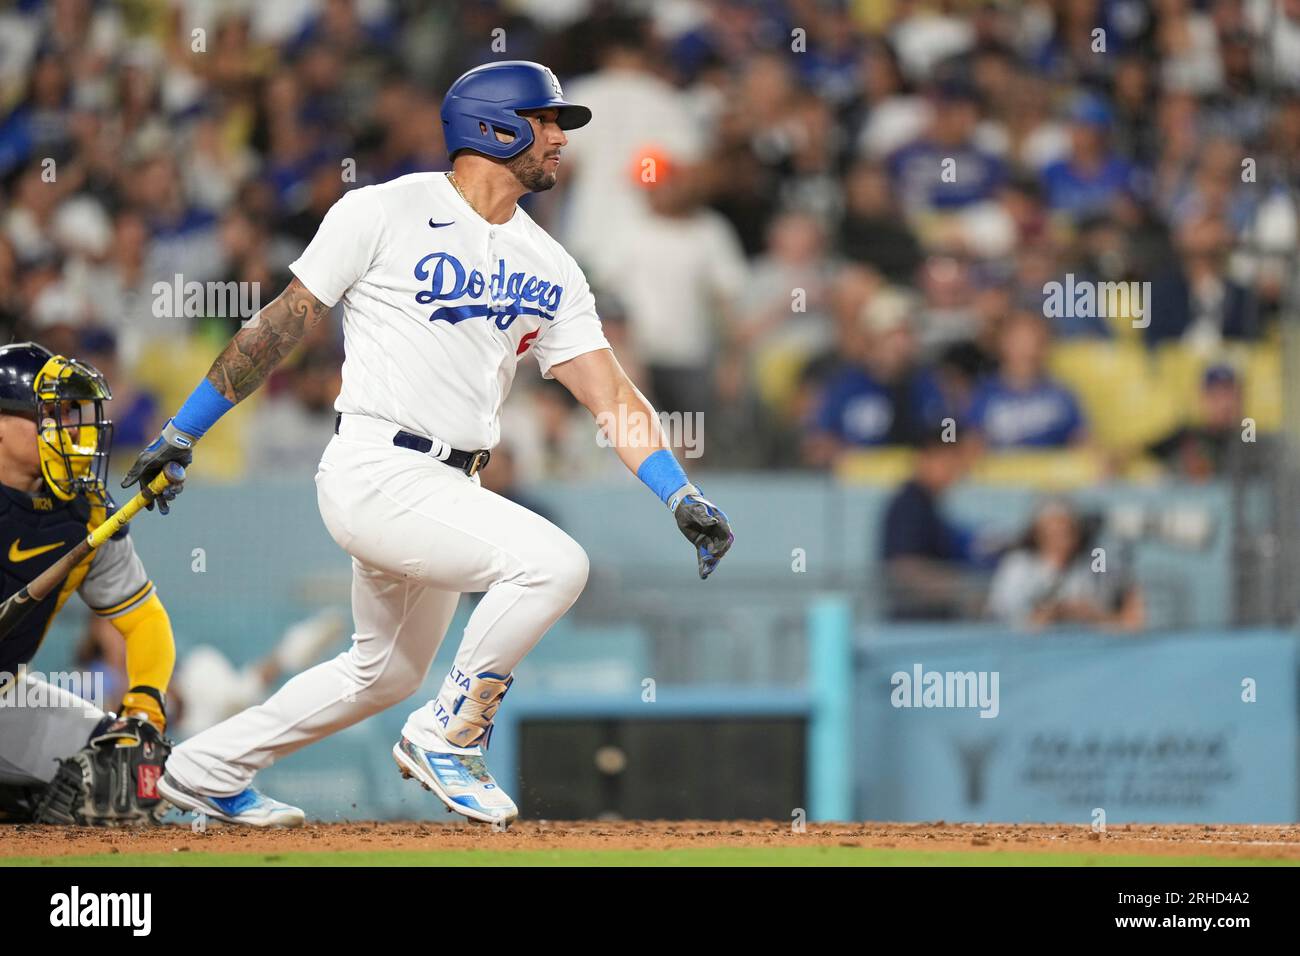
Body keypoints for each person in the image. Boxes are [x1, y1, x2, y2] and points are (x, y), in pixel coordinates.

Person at [122, 61, 735, 828]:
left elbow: (609, 394)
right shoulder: (383, 210)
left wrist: (678, 491)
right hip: (375, 467)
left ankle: (203, 768)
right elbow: (279, 324)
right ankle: (449, 736)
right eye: (546, 122)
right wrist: (183, 429)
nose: (558, 139)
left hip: (452, 487)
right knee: (553, 563)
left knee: (383, 673)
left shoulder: (550, 262)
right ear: (493, 125)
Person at [0, 341, 179, 824]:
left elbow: (144, 621)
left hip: (4, 696)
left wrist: (143, 710)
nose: (71, 428)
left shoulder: (87, 513)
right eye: (49, 414)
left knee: (123, 774)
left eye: (71, 413)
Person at [988, 498, 1144, 632]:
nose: (1061, 536)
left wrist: (1086, 614)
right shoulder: (1019, 566)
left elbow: (1124, 617)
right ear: (1038, 533)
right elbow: (1003, 616)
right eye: (1053, 530)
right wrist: (1051, 614)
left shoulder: (1094, 563)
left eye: (1067, 529)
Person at [880, 434, 988, 620]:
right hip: (913, 627)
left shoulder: (928, 506)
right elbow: (904, 569)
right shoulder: (909, 505)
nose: (953, 471)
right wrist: (963, 591)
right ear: (924, 460)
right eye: (946, 462)